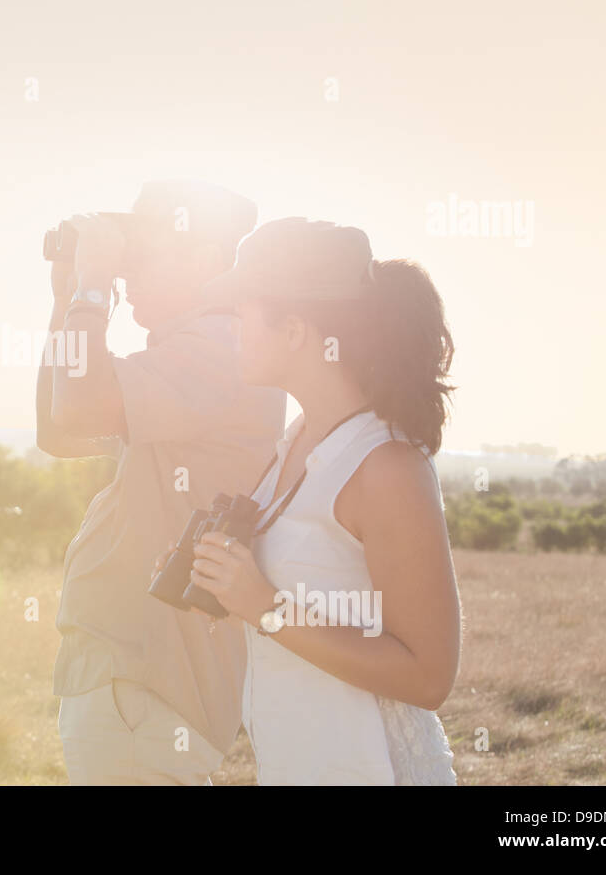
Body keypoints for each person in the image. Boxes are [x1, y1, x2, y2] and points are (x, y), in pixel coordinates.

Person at [186, 217, 460, 784]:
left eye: (242, 313)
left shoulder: (385, 465)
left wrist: (265, 608)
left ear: (295, 329)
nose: (233, 330)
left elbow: (430, 677)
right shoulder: (295, 444)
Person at [37, 180, 285, 785]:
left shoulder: (215, 348)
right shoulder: (195, 350)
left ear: (204, 259)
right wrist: (67, 299)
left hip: (147, 686)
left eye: (140, 252)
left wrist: (92, 291)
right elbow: (57, 430)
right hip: (138, 686)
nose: (128, 269)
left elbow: (76, 411)